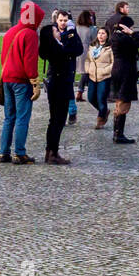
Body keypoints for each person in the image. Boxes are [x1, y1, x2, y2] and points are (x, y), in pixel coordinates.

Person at [0, 0, 44, 164]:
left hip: (7, 79)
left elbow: (3, 57)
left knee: (9, 117)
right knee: (22, 117)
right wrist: (35, 81)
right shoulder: (30, 34)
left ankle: (3, 152)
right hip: (21, 81)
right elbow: (30, 61)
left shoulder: (10, 31)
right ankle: (19, 153)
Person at [38, 10, 82, 163]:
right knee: (57, 119)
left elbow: (77, 49)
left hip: (61, 84)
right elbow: (74, 50)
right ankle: (52, 153)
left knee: (56, 120)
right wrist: (71, 33)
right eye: (56, 29)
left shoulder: (57, 45)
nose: (59, 29)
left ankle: (51, 151)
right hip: (59, 85)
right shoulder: (56, 48)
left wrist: (72, 33)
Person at [109, 14, 139, 144]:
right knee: (124, 102)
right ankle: (118, 134)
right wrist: (132, 32)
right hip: (125, 71)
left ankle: (117, 133)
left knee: (120, 101)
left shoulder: (115, 36)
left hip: (118, 69)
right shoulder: (123, 38)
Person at [84, 26, 114, 129]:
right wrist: (88, 69)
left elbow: (113, 63)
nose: (100, 35)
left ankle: (101, 118)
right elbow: (87, 59)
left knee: (101, 99)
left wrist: (105, 71)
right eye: (99, 33)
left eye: (103, 33)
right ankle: (104, 111)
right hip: (92, 76)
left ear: (107, 36)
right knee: (91, 98)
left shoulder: (110, 48)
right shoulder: (92, 46)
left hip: (104, 77)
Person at [74, 9, 96, 106]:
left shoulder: (76, 28)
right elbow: (95, 40)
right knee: (87, 72)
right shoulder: (92, 29)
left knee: (84, 72)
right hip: (87, 50)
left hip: (77, 50)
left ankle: (80, 91)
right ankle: (80, 91)